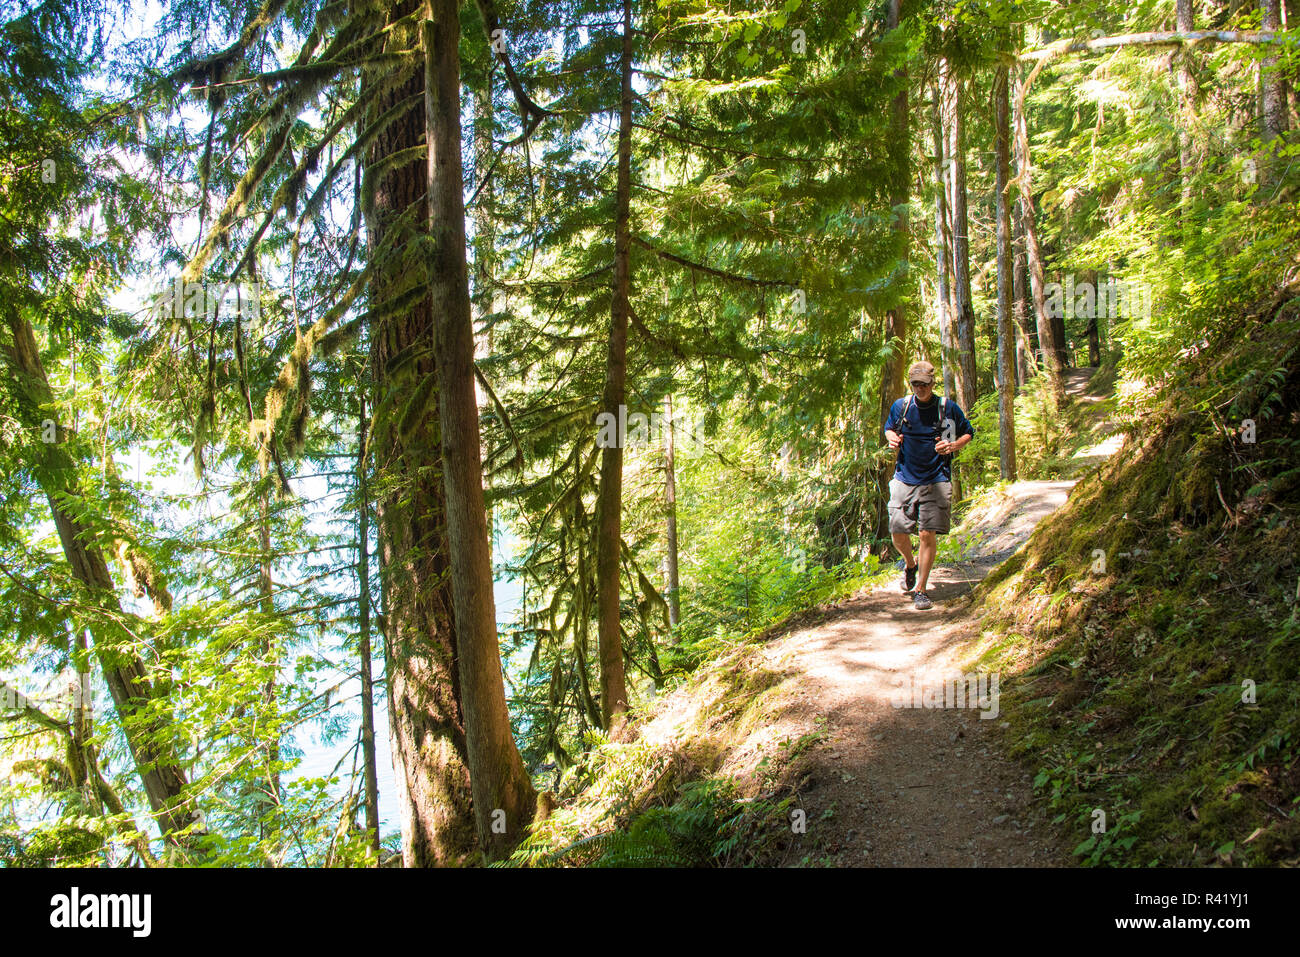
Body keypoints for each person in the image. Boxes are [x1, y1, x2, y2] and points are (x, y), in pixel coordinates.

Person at [882, 361, 974, 610]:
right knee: (898, 532)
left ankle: (921, 589)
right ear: (910, 384)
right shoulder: (902, 407)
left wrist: (953, 446)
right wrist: (892, 438)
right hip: (904, 477)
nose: (920, 388)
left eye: (924, 383)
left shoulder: (947, 408)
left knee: (926, 533)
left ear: (933, 383)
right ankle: (910, 565)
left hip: (936, 478)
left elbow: (967, 432)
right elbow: (889, 429)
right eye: (916, 384)